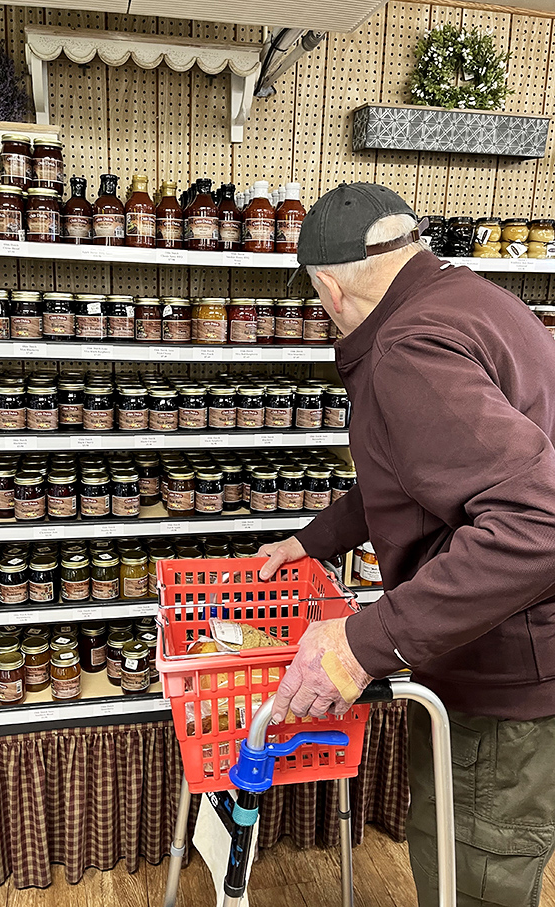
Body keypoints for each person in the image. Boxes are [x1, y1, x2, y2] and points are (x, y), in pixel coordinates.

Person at [258, 182, 555, 907]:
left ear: (325, 283)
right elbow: (425, 468)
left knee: (473, 874)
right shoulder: (476, 301)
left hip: (505, 678)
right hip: (526, 652)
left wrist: (363, 642)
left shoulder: (404, 349)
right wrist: (314, 537)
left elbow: (538, 519)